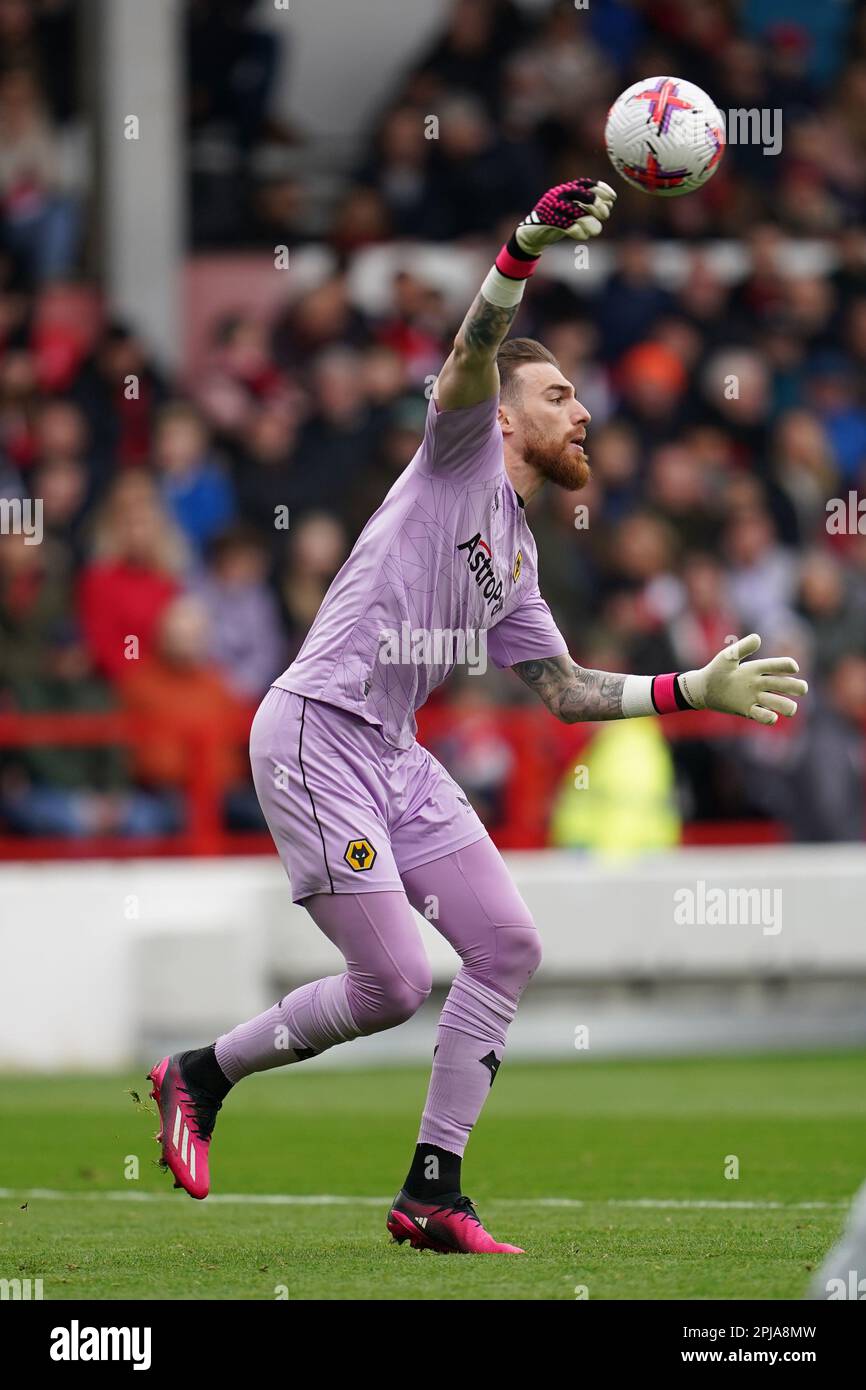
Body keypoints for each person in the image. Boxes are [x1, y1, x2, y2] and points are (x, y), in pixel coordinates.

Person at [147, 179, 808, 1255]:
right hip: (317, 729)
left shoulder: (516, 551)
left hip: (393, 753)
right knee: (396, 980)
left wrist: (688, 689)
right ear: (501, 417)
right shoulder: (454, 458)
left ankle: (432, 1190)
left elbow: (560, 689)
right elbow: (468, 353)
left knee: (504, 943)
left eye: (579, 400)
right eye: (558, 398)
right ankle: (201, 1073)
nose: (581, 412)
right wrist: (522, 245)